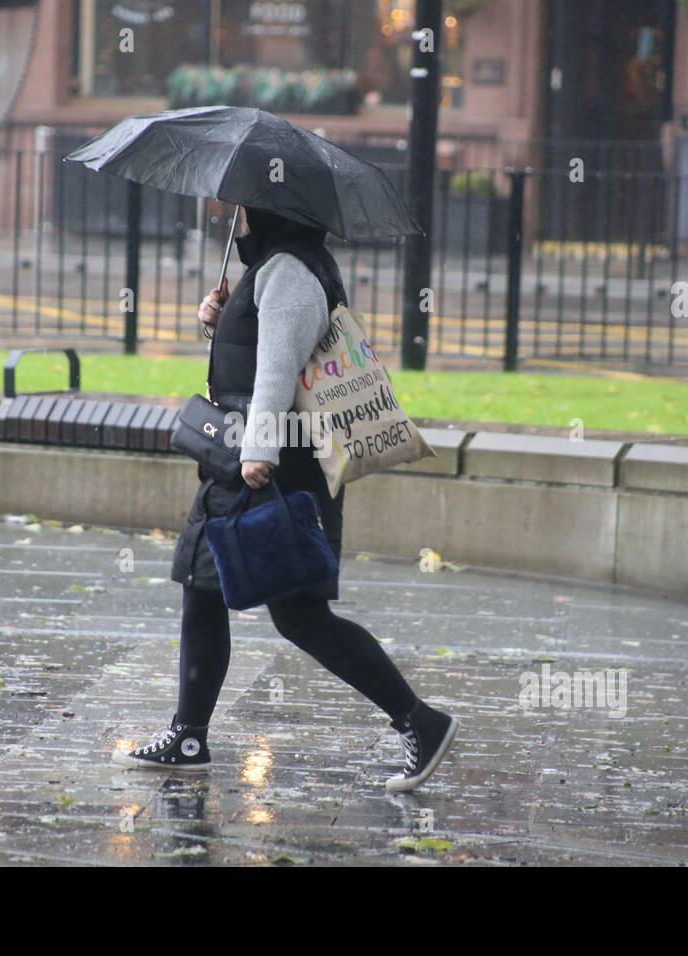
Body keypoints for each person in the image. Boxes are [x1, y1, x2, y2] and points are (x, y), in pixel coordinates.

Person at [111, 205, 458, 792]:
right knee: (204, 586)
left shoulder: (291, 273)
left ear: (270, 211)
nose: (235, 220)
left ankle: (420, 721)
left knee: (300, 614)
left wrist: (258, 451)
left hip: (271, 470)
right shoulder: (273, 269)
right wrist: (218, 321)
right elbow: (257, 355)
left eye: (243, 209)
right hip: (252, 462)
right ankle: (189, 734)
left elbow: (276, 372)